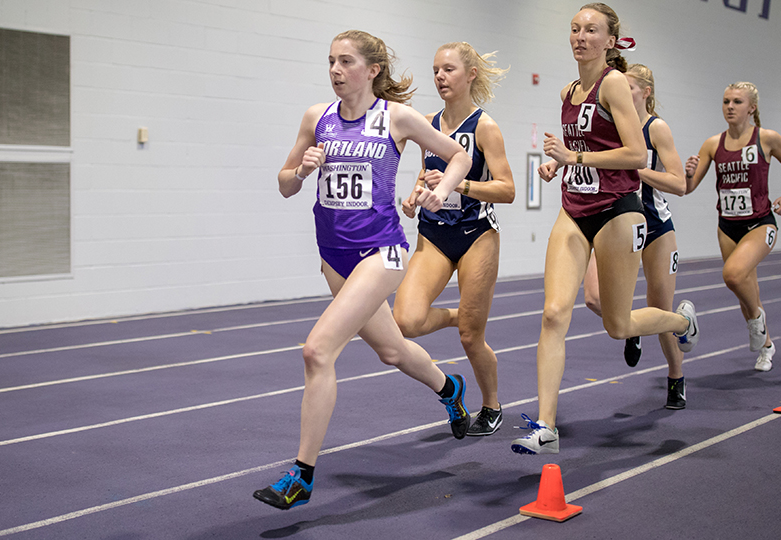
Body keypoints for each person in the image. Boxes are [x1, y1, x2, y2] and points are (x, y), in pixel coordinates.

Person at [254, 30, 474, 510]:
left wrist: (444, 190)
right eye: (330, 61)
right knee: (393, 351)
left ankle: (302, 476)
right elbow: (285, 185)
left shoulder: (396, 118)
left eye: (346, 62)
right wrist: (301, 170)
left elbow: (460, 154)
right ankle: (449, 386)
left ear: (372, 70)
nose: (335, 70)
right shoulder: (317, 118)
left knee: (317, 350)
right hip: (334, 256)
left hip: (381, 252)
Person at [511, 3, 699, 456]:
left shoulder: (614, 84)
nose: (581, 36)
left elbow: (636, 155)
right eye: (575, 29)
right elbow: (582, 145)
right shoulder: (568, 90)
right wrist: (560, 164)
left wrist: (576, 158)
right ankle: (546, 427)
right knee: (555, 313)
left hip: (618, 210)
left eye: (591, 30)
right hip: (574, 210)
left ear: (610, 40)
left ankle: (681, 321)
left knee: (618, 325)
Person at [393, 42, 514, 437]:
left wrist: (458, 185)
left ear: (471, 75)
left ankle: (491, 403)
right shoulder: (427, 122)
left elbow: (507, 189)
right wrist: (414, 196)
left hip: (476, 233)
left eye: (448, 69)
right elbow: (425, 172)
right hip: (434, 232)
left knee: (471, 338)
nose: (440, 77)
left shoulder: (485, 126)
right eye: (435, 71)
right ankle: (458, 315)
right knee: (406, 321)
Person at [582, 63, 689, 409]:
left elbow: (679, 183)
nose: (618, 92)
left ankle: (676, 377)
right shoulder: (608, 124)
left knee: (660, 309)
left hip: (655, 225)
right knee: (595, 299)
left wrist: (639, 168)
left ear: (645, 93)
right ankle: (631, 328)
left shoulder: (656, 129)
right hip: (614, 221)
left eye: (627, 87)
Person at [684, 81, 781, 372]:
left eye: (737, 102)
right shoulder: (713, 144)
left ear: (752, 107)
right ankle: (767, 346)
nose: (730, 107)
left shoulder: (767, 138)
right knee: (746, 288)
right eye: (726, 101)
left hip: (760, 222)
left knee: (733, 276)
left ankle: (756, 321)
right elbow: (689, 187)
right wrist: (687, 174)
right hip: (727, 226)